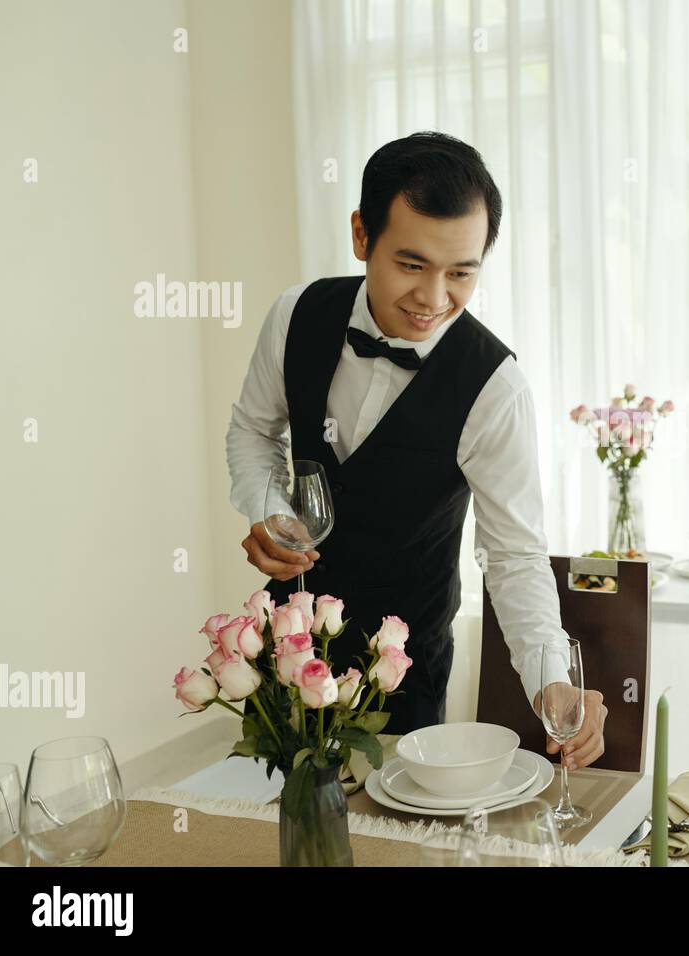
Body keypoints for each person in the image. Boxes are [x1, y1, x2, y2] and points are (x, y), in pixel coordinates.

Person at [225, 131, 606, 770]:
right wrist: (267, 509)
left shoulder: (495, 389)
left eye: (461, 273)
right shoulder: (297, 315)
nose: (434, 299)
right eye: (411, 264)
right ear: (360, 235)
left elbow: (514, 555)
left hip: (402, 670)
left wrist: (551, 682)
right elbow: (254, 430)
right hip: (285, 648)